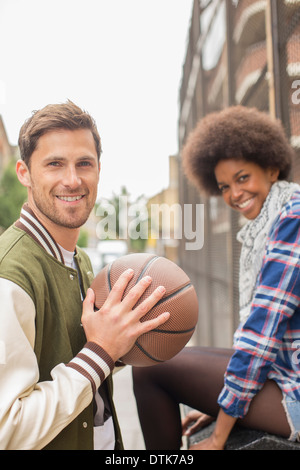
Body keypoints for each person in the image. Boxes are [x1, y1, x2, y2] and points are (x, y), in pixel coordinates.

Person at [0, 101, 170, 450]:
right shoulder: (10, 276)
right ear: (24, 173)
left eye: (84, 164)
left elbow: (77, 360)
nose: (73, 180)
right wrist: (102, 350)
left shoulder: (81, 260)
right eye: (54, 164)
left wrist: (126, 339)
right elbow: (8, 429)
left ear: (98, 169)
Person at [132, 106, 300, 450]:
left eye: (242, 178)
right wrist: (225, 404)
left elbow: (262, 333)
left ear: (271, 168)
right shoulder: (267, 223)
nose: (234, 194)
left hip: (294, 388)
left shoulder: (292, 219)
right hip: (285, 372)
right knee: (156, 358)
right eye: (224, 186)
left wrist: (220, 433)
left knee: (150, 371)